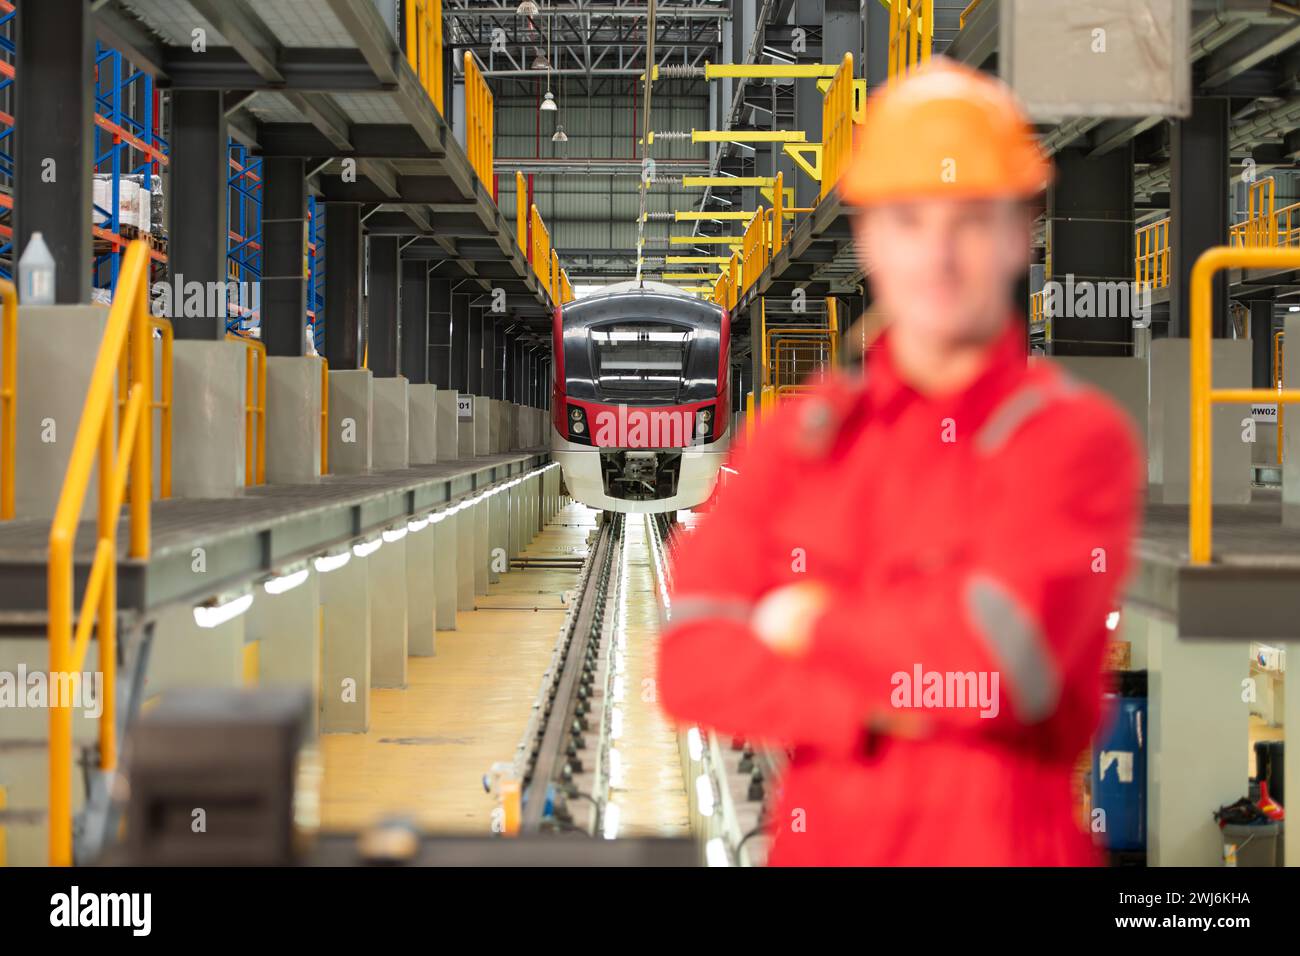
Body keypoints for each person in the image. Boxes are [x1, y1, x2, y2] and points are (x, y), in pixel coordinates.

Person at [656, 58, 1143, 866]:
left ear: (1022, 234)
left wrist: (805, 624)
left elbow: (1005, 668)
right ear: (868, 237)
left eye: (972, 219)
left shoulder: (1074, 440)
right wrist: (899, 678)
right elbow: (690, 660)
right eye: (910, 219)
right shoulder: (795, 441)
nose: (940, 254)